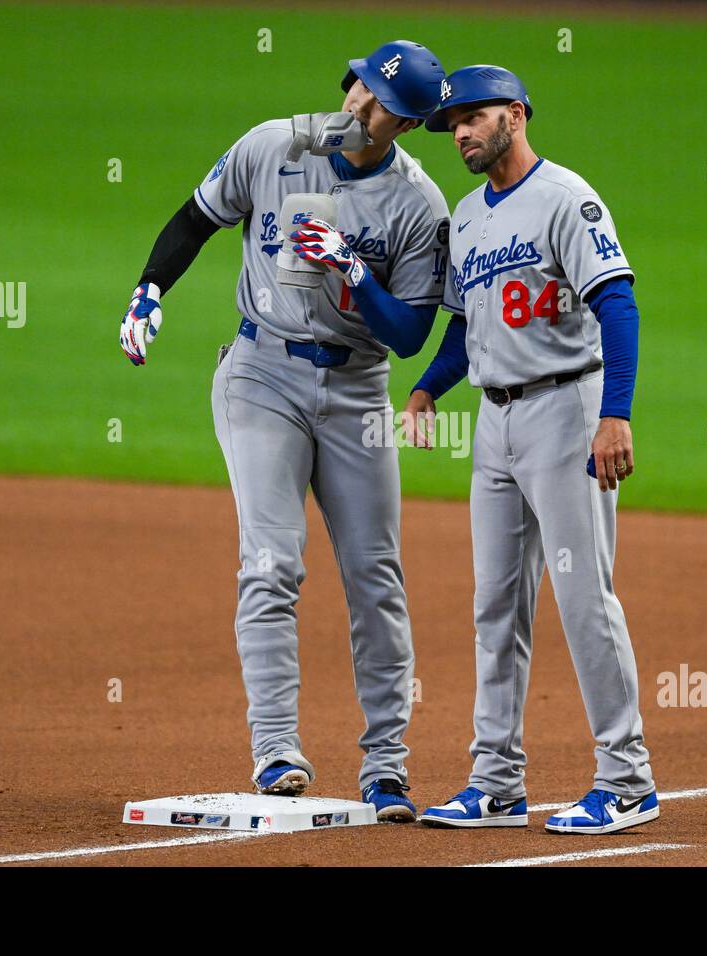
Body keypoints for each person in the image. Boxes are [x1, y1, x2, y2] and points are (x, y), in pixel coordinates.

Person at [119, 41, 452, 823]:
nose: (362, 113)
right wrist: (148, 290)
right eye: (361, 91)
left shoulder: (419, 206)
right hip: (260, 372)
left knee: (376, 578)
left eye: (385, 110)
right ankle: (276, 749)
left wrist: (353, 272)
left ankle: (388, 768)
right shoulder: (271, 145)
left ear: (410, 124)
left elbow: (408, 338)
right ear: (350, 82)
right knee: (271, 562)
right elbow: (195, 218)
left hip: (359, 390)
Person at [408, 65, 659, 834]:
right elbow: (468, 326)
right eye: (451, 125)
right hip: (495, 422)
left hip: (566, 409)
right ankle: (496, 782)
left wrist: (614, 415)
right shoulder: (468, 214)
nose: (460, 134)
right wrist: (427, 388)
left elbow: (618, 301)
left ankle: (626, 779)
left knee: (584, 596)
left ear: (515, 114)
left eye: (473, 118)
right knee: (495, 602)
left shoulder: (565, 199)